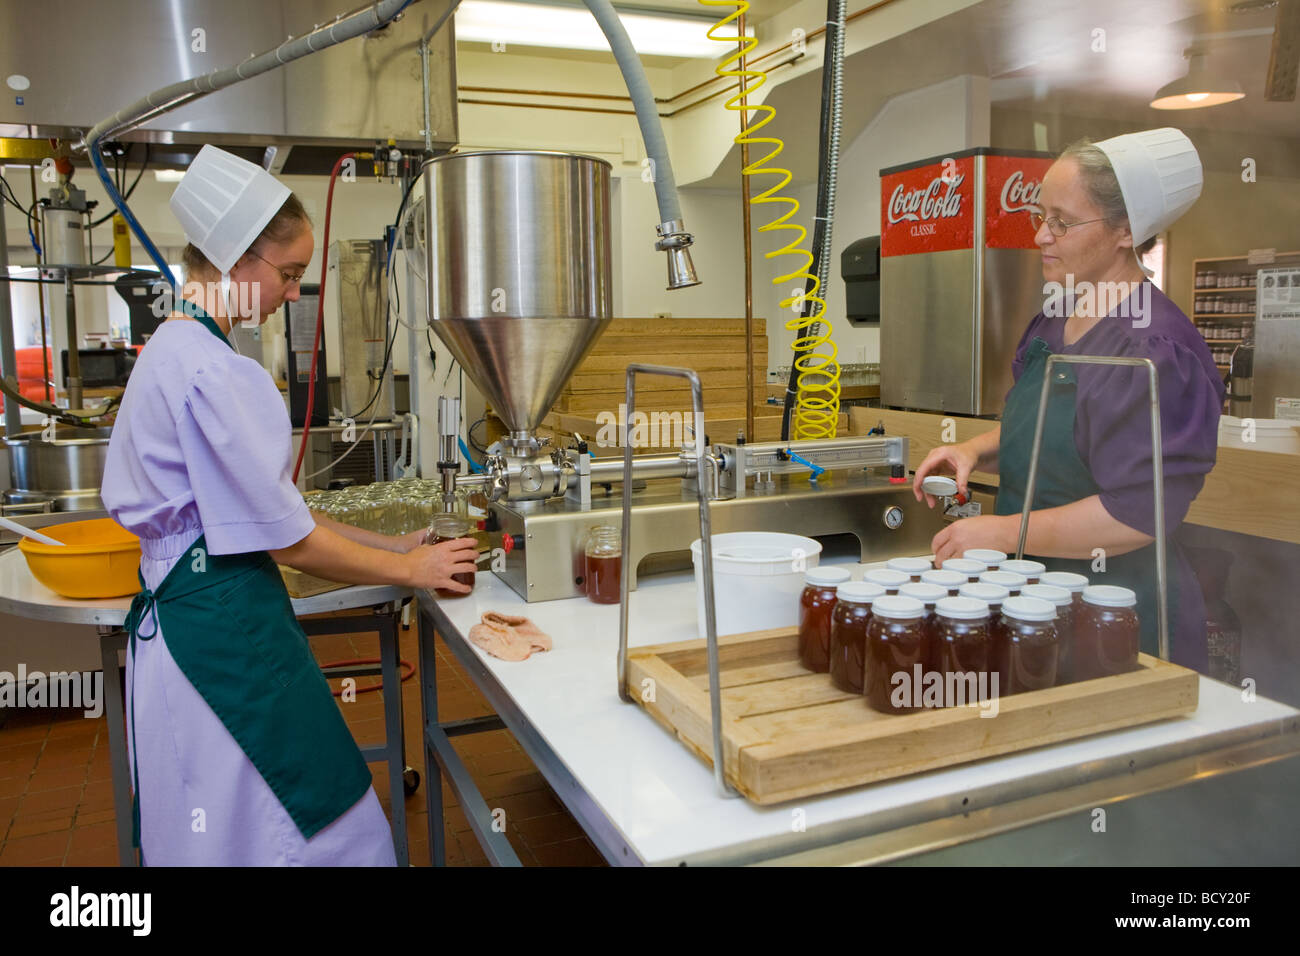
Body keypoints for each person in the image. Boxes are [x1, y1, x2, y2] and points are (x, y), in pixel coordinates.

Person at [101, 145, 479, 866]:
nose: (294, 293)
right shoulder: (215, 371)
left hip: (186, 622)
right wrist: (416, 571)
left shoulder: (171, 349)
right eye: (290, 273)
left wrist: (396, 546)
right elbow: (288, 541)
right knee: (326, 832)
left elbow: (270, 510)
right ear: (237, 260)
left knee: (219, 831)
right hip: (223, 633)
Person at [913, 128, 1224, 671]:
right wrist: (976, 450)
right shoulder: (1057, 317)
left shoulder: (1154, 349)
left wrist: (1002, 532)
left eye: (1062, 222)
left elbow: (1138, 514)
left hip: (1119, 618)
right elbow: (1056, 428)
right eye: (1039, 216)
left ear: (1126, 230)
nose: (1040, 236)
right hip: (1035, 600)